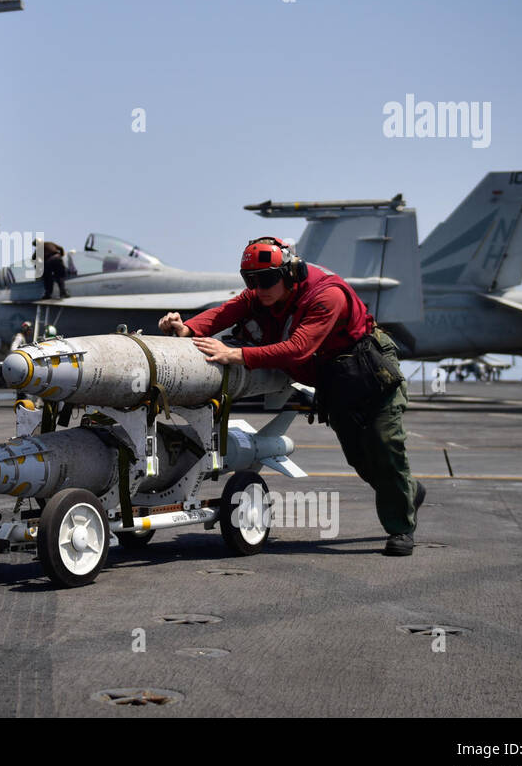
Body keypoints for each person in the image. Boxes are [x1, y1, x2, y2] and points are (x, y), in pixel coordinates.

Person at [159, 236, 424, 557]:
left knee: (385, 446)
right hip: (335, 379)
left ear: (290, 273)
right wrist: (187, 328)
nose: (259, 288)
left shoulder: (327, 295)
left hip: (371, 373)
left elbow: (299, 348)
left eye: (267, 279)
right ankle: (406, 492)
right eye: (251, 281)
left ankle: (400, 529)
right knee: (360, 458)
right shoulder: (262, 294)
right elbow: (226, 312)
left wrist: (236, 355)